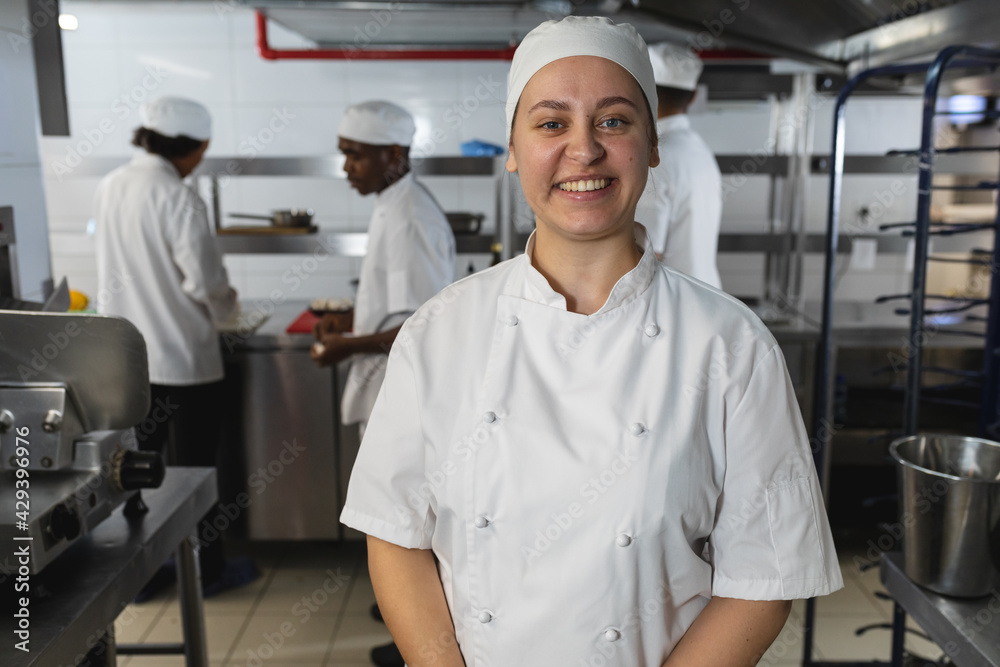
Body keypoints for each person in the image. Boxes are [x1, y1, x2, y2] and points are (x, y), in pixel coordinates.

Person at [340, 16, 844, 666]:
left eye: (613, 120)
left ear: (652, 142)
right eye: (552, 123)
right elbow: (396, 533)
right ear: (514, 148)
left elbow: (763, 578)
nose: (583, 150)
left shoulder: (732, 347)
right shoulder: (439, 333)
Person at [310, 100, 456, 667]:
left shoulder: (410, 216)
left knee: (411, 518)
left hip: (409, 395)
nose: (347, 167)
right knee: (399, 518)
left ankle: (424, 638)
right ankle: (405, 612)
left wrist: (344, 346)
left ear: (393, 155)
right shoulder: (392, 205)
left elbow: (420, 324)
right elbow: (393, 307)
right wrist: (351, 324)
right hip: (390, 387)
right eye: (344, 154)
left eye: (355, 155)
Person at [95, 96, 255, 597]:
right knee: (195, 474)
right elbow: (205, 280)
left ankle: (138, 578)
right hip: (183, 362)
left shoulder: (111, 185)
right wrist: (231, 311)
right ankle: (207, 571)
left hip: (125, 363)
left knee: (132, 474)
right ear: (193, 147)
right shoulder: (177, 195)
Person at [635, 42, 723, 288]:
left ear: (643, 91)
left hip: (673, 306)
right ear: (694, 96)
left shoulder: (654, 159)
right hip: (705, 294)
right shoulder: (699, 150)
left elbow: (645, 257)